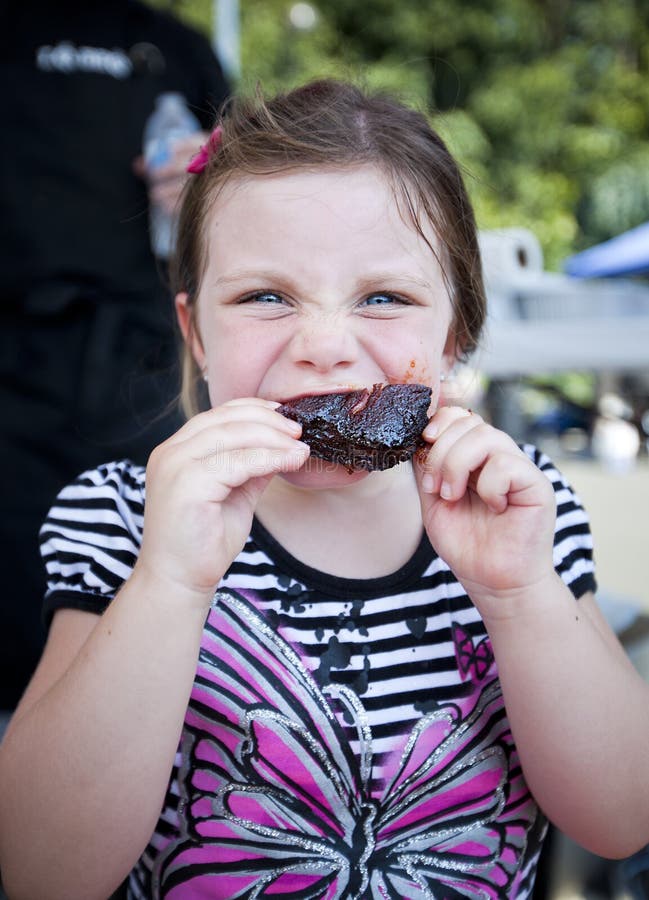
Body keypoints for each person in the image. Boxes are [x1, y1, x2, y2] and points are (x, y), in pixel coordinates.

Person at [1, 79, 648, 900]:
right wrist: (168, 583)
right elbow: (40, 871)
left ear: (454, 336)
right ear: (196, 333)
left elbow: (623, 818)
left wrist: (519, 593)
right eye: (265, 297)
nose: (323, 346)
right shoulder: (125, 521)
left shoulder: (520, 505)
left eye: (383, 297)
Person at [0, 0, 230, 717]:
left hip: (141, 364)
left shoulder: (174, 47)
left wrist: (203, 181)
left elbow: (242, 180)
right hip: (9, 363)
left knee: (135, 578)